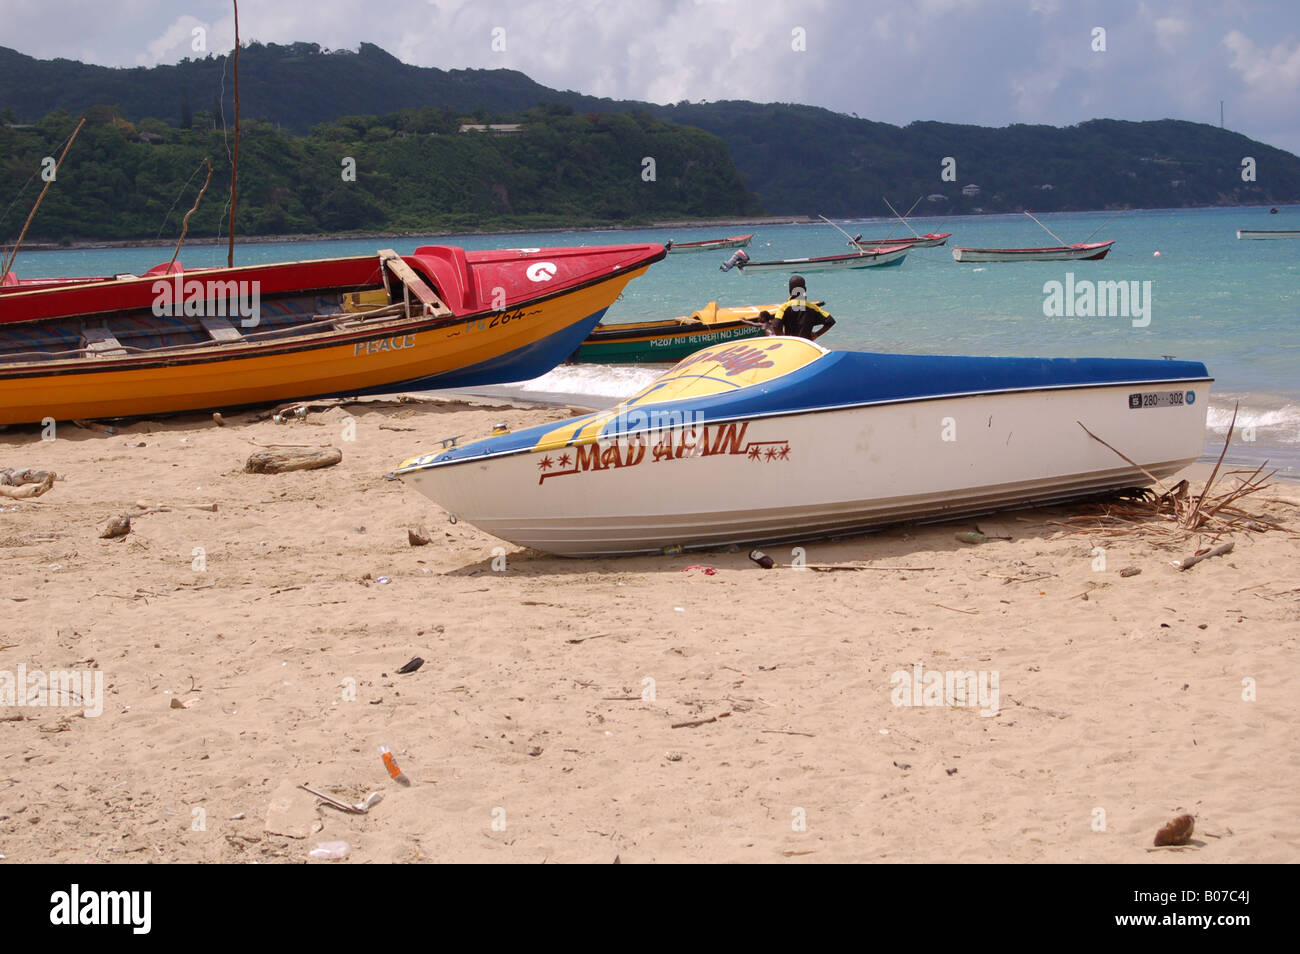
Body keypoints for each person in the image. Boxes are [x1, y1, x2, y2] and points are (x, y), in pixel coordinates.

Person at [773, 275, 835, 341]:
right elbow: (830, 321)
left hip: (790, 345)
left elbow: (775, 326)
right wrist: (817, 334)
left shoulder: (784, 308)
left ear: (790, 290)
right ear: (805, 289)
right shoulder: (813, 308)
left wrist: (785, 340)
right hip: (806, 345)